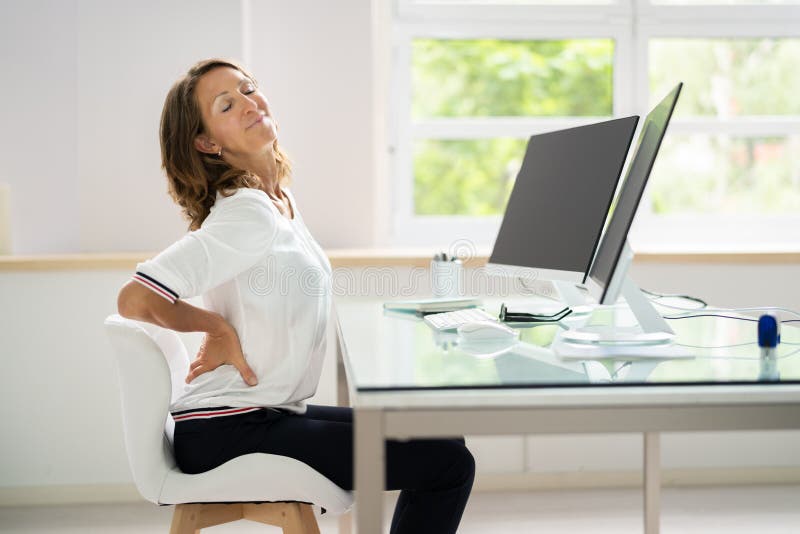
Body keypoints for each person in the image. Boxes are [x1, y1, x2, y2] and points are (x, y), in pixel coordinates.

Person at [116, 58, 474, 534]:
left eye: (248, 90)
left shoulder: (276, 202)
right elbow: (135, 299)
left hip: (260, 415)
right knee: (447, 463)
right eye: (227, 105)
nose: (248, 103)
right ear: (207, 142)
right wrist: (215, 327)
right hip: (230, 429)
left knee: (442, 438)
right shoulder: (247, 214)